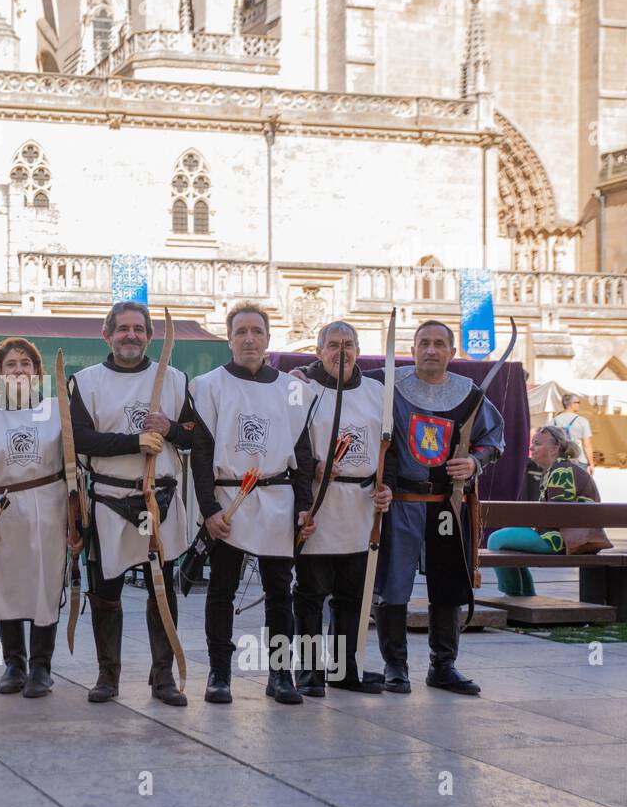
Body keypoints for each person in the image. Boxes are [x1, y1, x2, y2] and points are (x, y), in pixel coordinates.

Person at [70, 301, 193, 707]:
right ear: (107, 335)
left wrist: (171, 428)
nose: (131, 336)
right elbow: (80, 441)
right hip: (109, 499)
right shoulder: (86, 382)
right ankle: (108, 675)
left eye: (139, 329)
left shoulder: (173, 379)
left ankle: (163, 677)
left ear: (150, 336)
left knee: (161, 588)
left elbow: (196, 436)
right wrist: (134, 441)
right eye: (122, 329)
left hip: (158, 499)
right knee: (106, 589)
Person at [372, 320, 504, 696]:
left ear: (451, 351)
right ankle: (395, 665)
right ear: (412, 349)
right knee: (393, 585)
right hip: (401, 503)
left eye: (439, 344)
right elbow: (342, 375)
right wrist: (305, 370)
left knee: (447, 585)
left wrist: (474, 462)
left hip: (447, 504)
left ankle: (443, 666)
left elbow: (493, 439)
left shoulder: (470, 394)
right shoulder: (387, 384)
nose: (431, 350)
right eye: (423, 343)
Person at [190, 302, 311, 705]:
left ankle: (280, 674)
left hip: (278, 498)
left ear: (268, 339)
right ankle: (219, 674)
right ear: (229, 339)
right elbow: (201, 452)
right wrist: (208, 509)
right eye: (240, 332)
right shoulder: (208, 386)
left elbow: (304, 453)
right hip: (229, 501)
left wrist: (305, 504)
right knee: (222, 590)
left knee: (280, 592)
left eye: (256, 332)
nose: (248, 339)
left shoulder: (291, 389)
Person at [0, 337, 67, 697]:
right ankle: (13, 664)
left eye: (26, 363)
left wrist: (78, 520)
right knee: (5, 586)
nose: (19, 369)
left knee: (45, 585)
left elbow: (72, 469)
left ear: (37, 374)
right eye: (11, 364)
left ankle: (41, 667)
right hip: (0, 511)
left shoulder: (57, 410)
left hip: (48, 510)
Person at [293, 321, 391, 696]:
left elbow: (389, 448)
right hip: (319, 503)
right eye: (332, 345)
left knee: (352, 596)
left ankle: (344, 669)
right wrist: (313, 468)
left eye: (348, 344)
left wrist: (388, 487)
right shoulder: (301, 389)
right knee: (310, 594)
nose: (341, 351)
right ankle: (308, 671)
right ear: (319, 351)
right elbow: (290, 442)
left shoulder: (376, 391)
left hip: (361, 506)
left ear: (358, 350)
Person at [487, 425, 601, 596]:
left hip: (561, 540)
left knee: (496, 540)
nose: (531, 447)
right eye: (532, 443)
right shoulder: (558, 469)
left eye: (538, 444)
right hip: (567, 537)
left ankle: (514, 594)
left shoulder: (561, 471)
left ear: (555, 449)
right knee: (507, 541)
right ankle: (522, 595)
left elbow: (557, 514)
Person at [549, 394, 594, 473]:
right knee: (579, 484)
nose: (579, 404)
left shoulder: (553, 421)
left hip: (558, 460)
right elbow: (587, 445)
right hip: (579, 460)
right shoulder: (582, 421)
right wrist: (591, 464)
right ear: (571, 404)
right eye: (578, 402)